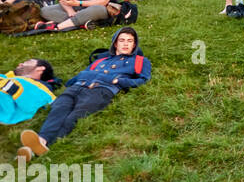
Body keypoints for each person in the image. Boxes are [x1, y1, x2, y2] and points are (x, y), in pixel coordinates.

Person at [16, 26, 150, 163]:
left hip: (101, 90)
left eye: (130, 41)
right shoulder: (100, 60)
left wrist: (117, 81)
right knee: (58, 110)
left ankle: (39, 147)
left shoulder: (140, 61)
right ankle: (41, 140)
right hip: (77, 87)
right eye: (122, 40)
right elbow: (80, 75)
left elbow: (142, 80)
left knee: (73, 116)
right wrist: (74, 81)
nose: (126, 43)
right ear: (115, 43)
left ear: (134, 44)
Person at [1, 58, 59, 126]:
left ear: (40, 68)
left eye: (28, 61)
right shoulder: (6, 78)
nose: (20, 64)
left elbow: (55, 103)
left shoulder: (38, 88)